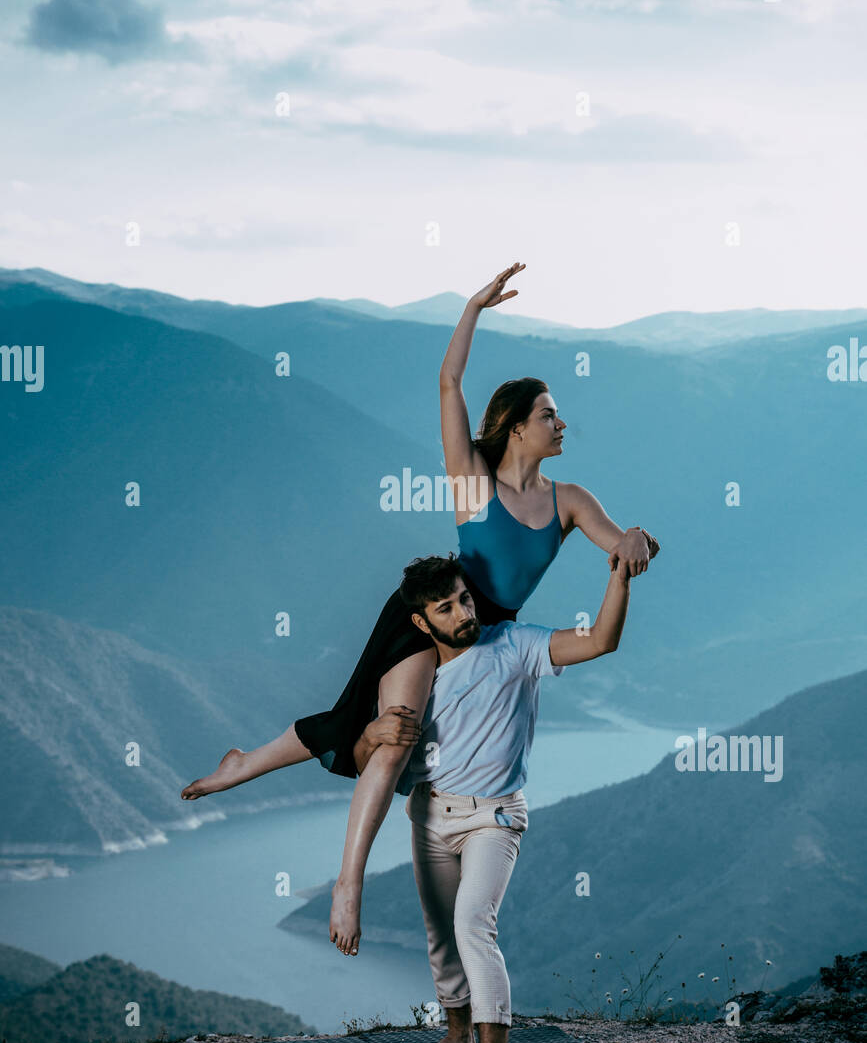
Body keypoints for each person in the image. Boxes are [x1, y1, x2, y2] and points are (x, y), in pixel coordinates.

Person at [181, 262, 660, 958]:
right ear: (517, 428)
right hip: (433, 613)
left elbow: (623, 548)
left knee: (361, 727)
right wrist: (472, 308)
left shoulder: (571, 500)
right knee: (389, 731)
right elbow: (447, 384)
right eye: (547, 414)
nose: (561, 423)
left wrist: (641, 541)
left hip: (482, 634)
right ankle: (347, 884)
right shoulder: (472, 480)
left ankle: (242, 762)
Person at [351, 550, 635, 1043]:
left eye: (464, 598)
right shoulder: (412, 674)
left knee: (473, 927)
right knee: (440, 933)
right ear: (420, 621)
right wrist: (371, 731)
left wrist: (619, 574)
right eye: (445, 607)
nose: (462, 612)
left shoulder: (515, 645)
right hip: (429, 814)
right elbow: (366, 762)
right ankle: (457, 1037)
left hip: (494, 817)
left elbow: (601, 640)